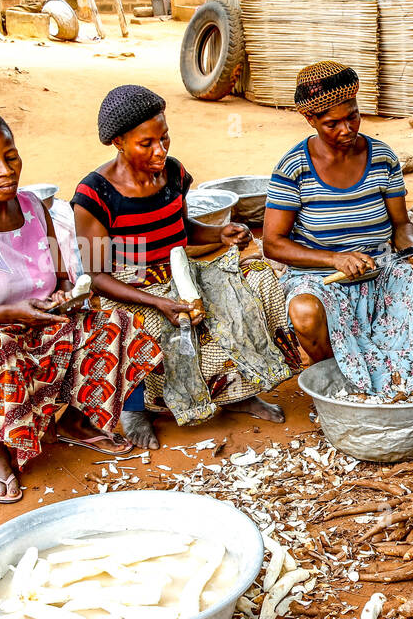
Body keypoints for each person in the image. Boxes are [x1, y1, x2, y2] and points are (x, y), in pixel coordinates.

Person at [0, 107, 160, 503]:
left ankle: (78, 422)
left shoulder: (31, 207)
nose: (6, 170)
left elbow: (61, 277)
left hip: (32, 326)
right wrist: (9, 313)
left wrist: (63, 295)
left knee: (114, 322)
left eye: (11, 157)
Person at [73, 85, 296, 449]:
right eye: (147, 144)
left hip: (179, 273)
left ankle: (239, 392)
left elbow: (182, 230)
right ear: (118, 142)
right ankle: (135, 409)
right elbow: (96, 276)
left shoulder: (173, 174)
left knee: (255, 284)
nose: (160, 151)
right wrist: (158, 302)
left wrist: (220, 234)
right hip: (128, 286)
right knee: (152, 324)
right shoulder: (94, 195)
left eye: (164, 138)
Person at [262, 61, 413, 396]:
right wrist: (334, 259)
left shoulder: (382, 158)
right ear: (310, 121)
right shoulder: (293, 167)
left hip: (379, 270)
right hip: (321, 278)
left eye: (352, 116)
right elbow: (273, 244)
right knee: (305, 313)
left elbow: (400, 225)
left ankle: (391, 365)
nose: (346, 129)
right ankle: (336, 378)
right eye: (331, 123)